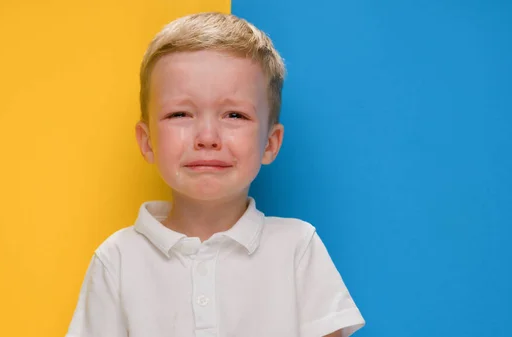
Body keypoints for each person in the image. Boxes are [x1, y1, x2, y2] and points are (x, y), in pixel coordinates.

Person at [66, 11, 365, 337]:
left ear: (270, 143)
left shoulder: (297, 248)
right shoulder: (117, 259)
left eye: (234, 114)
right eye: (180, 113)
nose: (207, 136)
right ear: (147, 141)